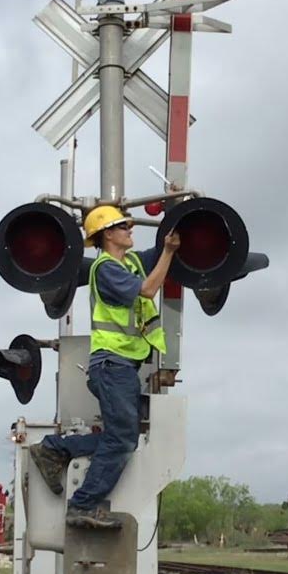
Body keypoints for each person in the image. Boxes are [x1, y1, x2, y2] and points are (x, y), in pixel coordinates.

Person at [28, 205, 181, 529]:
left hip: (121, 367)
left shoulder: (133, 263)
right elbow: (149, 289)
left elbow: (163, 246)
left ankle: (53, 450)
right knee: (123, 440)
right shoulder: (106, 269)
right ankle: (81, 505)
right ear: (107, 234)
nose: (130, 229)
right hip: (112, 365)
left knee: (120, 438)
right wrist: (168, 252)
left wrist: (176, 210)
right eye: (123, 226)